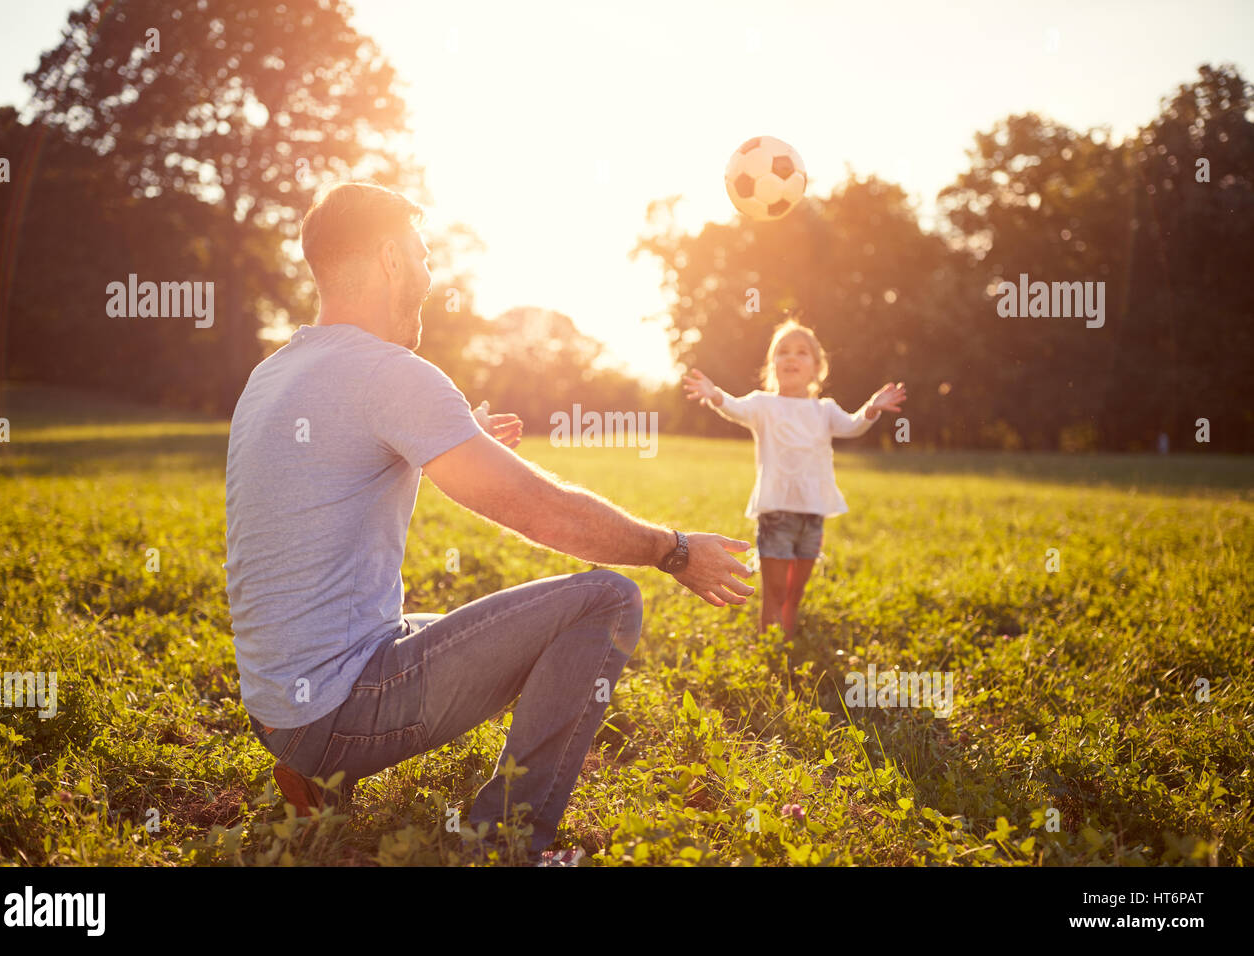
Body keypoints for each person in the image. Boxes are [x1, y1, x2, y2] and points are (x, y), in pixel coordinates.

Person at [223, 181, 754, 862]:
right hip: (336, 707)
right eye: (422, 255)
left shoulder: (273, 374)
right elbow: (541, 510)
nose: (428, 272)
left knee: (442, 625)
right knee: (608, 602)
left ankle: (309, 771)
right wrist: (672, 549)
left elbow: (334, 467)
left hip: (275, 708)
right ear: (389, 259)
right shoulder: (391, 373)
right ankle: (504, 844)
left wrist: (455, 438)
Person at [683, 317, 905, 639]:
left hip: (813, 514)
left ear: (817, 367)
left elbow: (853, 425)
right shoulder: (763, 405)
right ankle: (770, 644)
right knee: (774, 587)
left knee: (795, 590)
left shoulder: (825, 410)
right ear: (773, 364)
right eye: (783, 351)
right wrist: (714, 393)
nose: (791, 357)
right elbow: (733, 407)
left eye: (801, 352)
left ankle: (788, 636)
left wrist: (872, 408)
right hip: (776, 512)